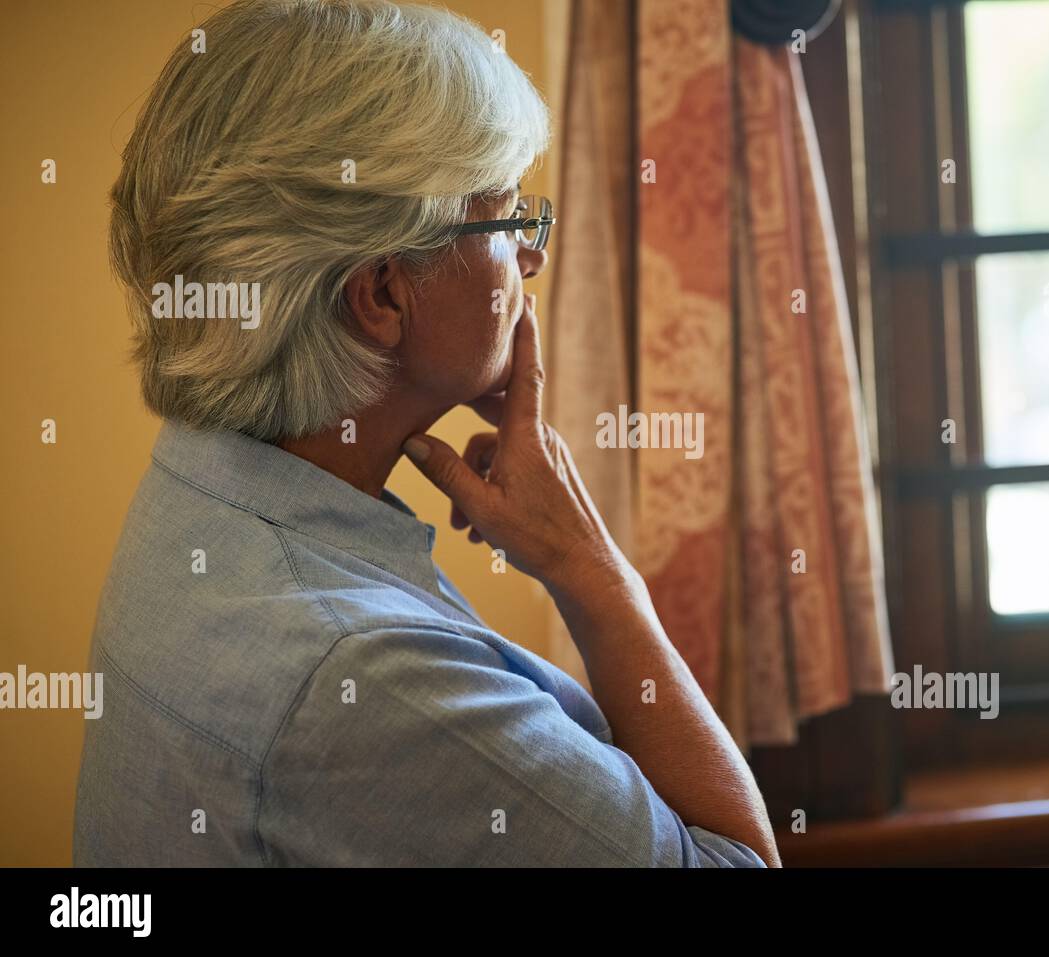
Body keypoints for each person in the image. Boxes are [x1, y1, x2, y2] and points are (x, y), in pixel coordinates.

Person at [73, 0, 779, 867]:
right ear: (382, 295)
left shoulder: (198, 482)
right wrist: (592, 570)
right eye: (508, 217)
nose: (534, 257)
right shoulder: (365, 677)